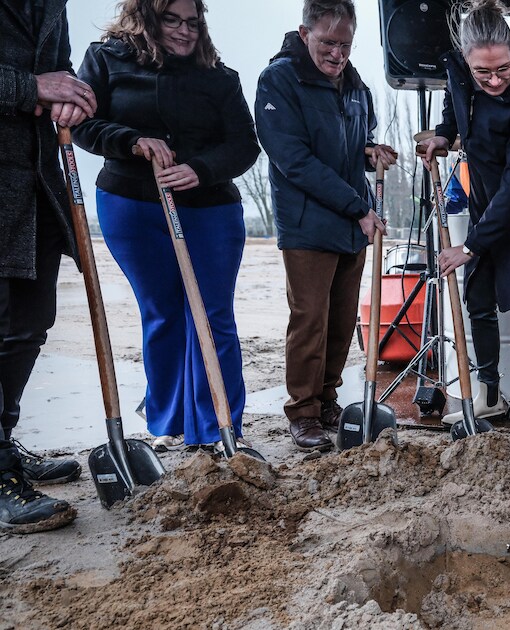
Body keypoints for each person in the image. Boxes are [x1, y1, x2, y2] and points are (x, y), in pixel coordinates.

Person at [73, 0, 260, 451]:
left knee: (211, 315)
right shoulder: (105, 59)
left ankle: (218, 428)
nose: (184, 31)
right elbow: (84, 126)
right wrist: (131, 141)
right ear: (146, 17)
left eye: (193, 23)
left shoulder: (219, 77)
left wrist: (201, 168)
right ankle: (169, 424)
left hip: (209, 208)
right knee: (162, 312)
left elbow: (244, 145)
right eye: (172, 20)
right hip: (130, 205)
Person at [420, 0, 510, 438]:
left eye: (502, 68)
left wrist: (469, 247)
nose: (495, 79)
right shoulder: (461, 73)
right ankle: (489, 393)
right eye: (483, 73)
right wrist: (445, 132)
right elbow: (456, 100)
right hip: (488, 199)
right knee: (478, 295)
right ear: (467, 60)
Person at [256, 0, 396, 451]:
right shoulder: (279, 80)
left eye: (345, 45)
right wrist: (358, 206)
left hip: (352, 222)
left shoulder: (355, 85)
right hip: (308, 225)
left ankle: (328, 400)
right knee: (310, 320)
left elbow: (354, 143)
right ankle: (302, 411)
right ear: (303, 34)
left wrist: (371, 151)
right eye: (327, 43)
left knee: (340, 321)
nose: (337, 54)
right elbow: (295, 161)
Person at [1, 0, 94, 532]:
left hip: (35, 186)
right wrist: (31, 87)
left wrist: (72, 96)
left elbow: (55, 71)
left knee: (29, 326)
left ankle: (3, 444)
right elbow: (36, 80)